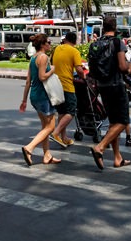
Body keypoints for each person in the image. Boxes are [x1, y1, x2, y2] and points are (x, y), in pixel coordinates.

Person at [88, 15, 131, 170]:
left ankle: (117, 157)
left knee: (114, 122)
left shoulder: (96, 43)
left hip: (102, 86)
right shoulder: (117, 42)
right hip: (116, 84)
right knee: (123, 121)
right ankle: (100, 147)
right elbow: (122, 66)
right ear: (115, 27)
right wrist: (130, 67)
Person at [18, 33, 62, 165]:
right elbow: (43, 77)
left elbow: (28, 81)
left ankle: (47, 155)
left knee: (45, 126)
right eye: (48, 42)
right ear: (42, 45)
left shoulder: (33, 58)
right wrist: (52, 70)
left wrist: (24, 100)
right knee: (51, 127)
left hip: (35, 95)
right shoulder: (43, 57)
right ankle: (29, 148)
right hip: (43, 96)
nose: (50, 44)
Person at [49, 31, 84, 148]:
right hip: (67, 85)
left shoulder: (57, 49)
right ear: (74, 41)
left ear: (65, 39)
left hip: (56, 84)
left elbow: (52, 63)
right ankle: (56, 133)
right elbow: (79, 70)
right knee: (71, 111)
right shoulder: (74, 51)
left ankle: (63, 138)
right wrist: (83, 76)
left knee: (62, 112)